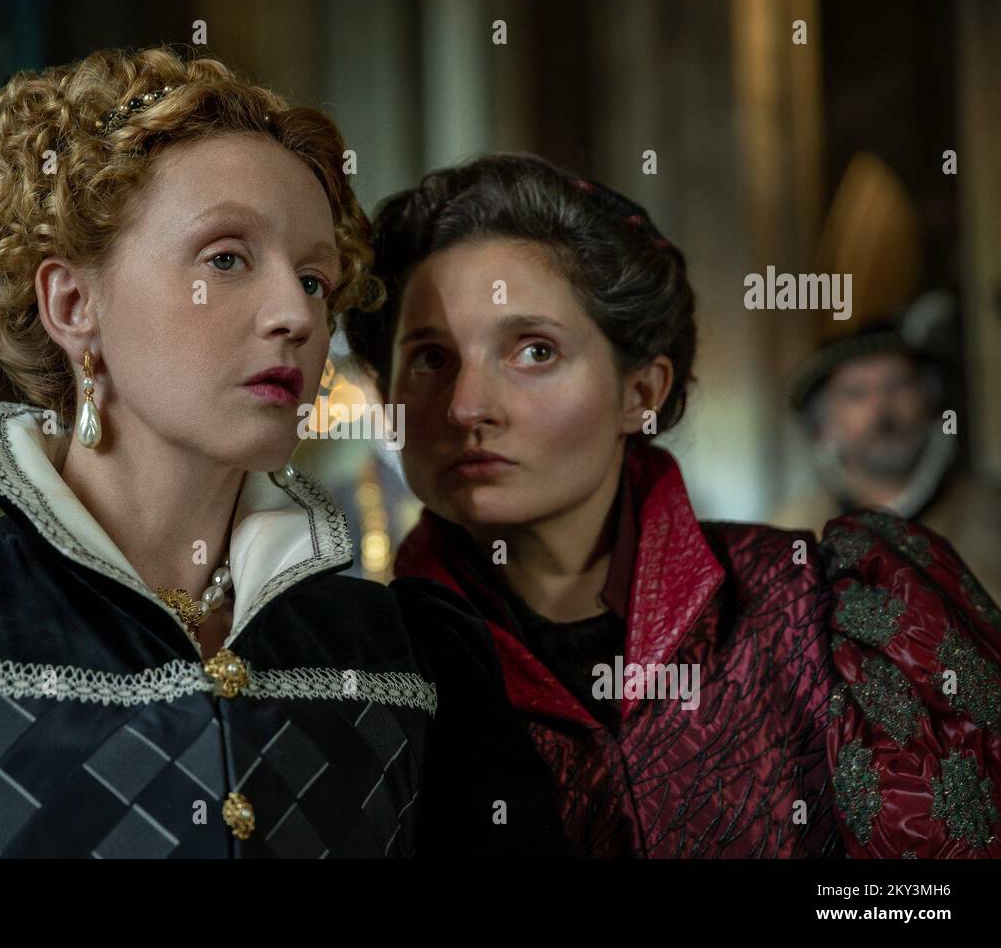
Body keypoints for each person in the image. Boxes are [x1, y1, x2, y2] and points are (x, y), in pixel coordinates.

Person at [0, 49, 565, 859]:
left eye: (314, 278)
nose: (297, 317)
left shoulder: (411, 655)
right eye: (227, 258)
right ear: (73, 302)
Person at [344, 152, 1001, 857]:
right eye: (431, 360)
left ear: (642, 393)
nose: (468, 406)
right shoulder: (357, 675)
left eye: (533, 351)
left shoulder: (826, 614)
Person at [774, 319, 1001, 600]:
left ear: (929, 401)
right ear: (824, 427)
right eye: (856, 393)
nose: (882, 410)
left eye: (899, 384)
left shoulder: (991, 512)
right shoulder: (795, 531)